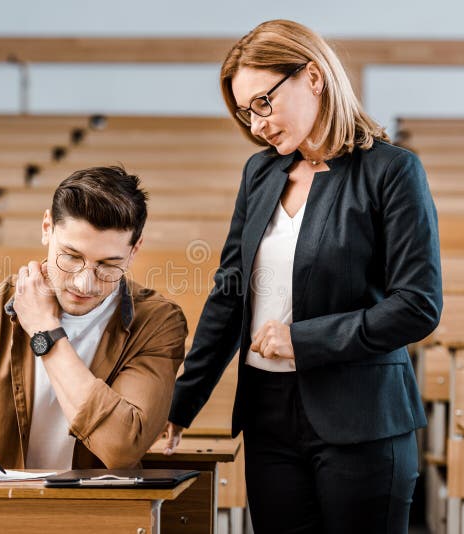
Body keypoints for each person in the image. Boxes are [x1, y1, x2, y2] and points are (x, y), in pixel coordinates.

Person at [163, 20, 442, 534]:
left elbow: (417, 305)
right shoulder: (259, 172)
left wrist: (302, 340)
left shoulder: (392, 171)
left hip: (362, 420)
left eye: (263, 103)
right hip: (268, 417)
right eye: (246, 112)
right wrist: (180, 403)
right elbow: (230, 294)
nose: (257, 125)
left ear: (313, 77)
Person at [0, 165, 187, 478]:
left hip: (100, 506)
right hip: (2, 503)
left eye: (109, 265)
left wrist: (45, 331)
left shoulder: (158, 323)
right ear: (46, 228)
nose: (84, 283)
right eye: (71, 256)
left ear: (135, 250)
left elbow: (121, 447)